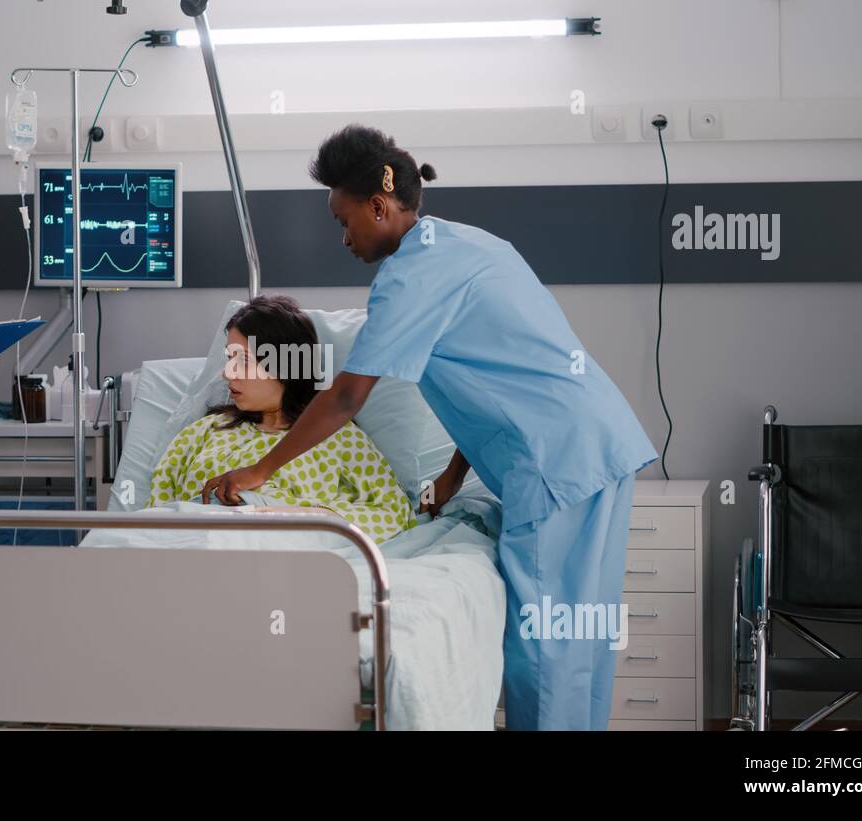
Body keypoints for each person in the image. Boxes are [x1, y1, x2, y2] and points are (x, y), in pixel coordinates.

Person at [200, 125, 658, 730]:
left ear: (380, 206)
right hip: (597, 447)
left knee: (547, 652)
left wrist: (259, 468)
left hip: (553, 467)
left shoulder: (408, 279)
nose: (343, 238)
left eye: (345, 220)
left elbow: (344, 398)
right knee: (583, 639)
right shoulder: (473, 245)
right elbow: (495, 380)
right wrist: (449, 475)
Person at [149, 295, 415, 545]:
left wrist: (304, 517)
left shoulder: (338, 437)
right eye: (229, 359)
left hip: (278, 547)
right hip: (191, 543)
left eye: (243, 360)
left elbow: (394, 512)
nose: (227, 374)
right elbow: (153, 518)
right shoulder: (204, 431)